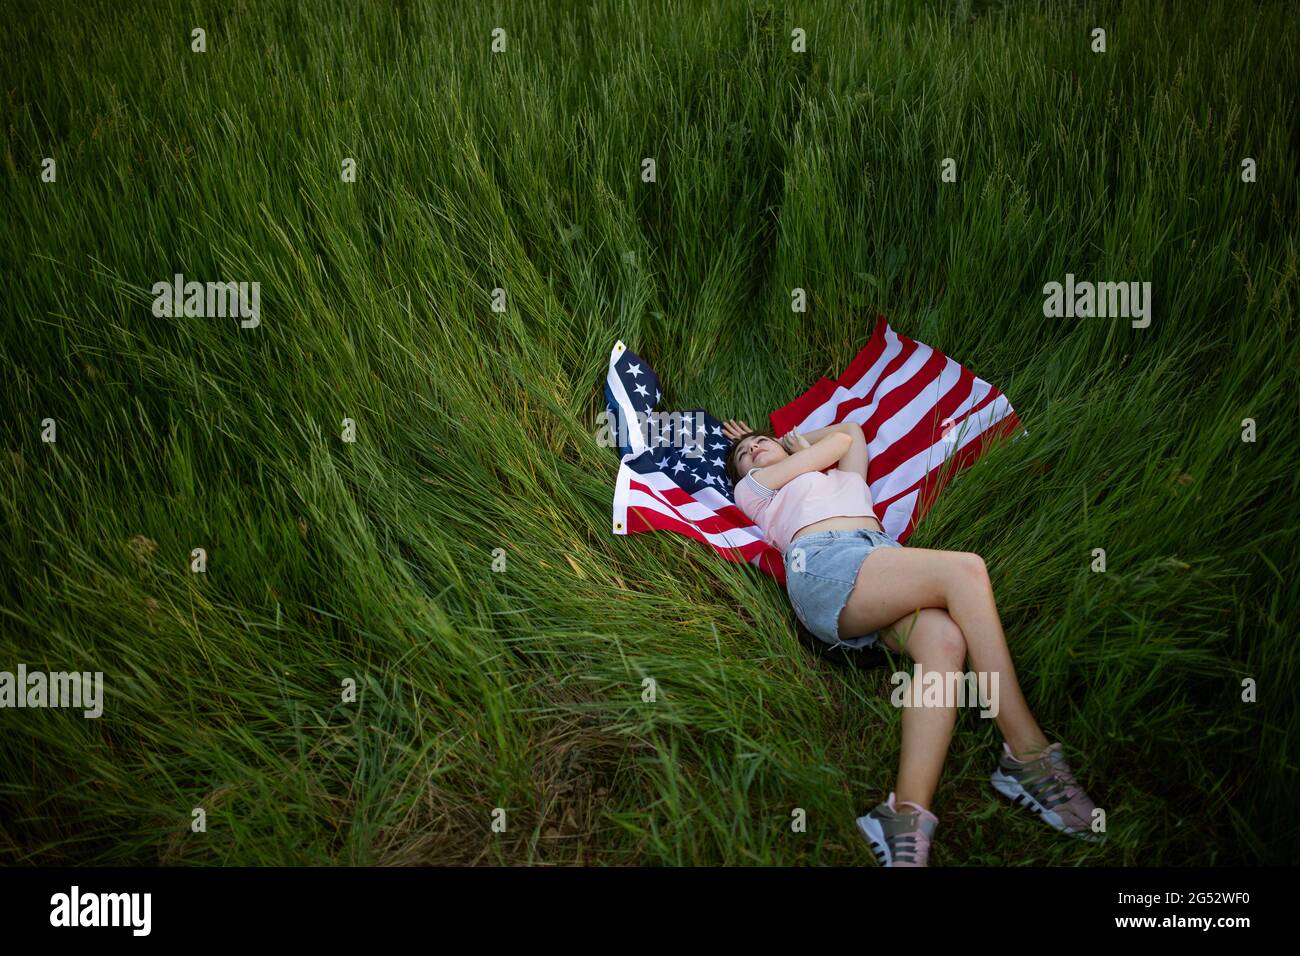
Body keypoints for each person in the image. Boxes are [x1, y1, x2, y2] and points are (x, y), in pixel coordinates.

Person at [723, 418, 1105, 867]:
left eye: (759, 441)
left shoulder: (844, 479)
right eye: (742, 454)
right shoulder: (755, 490)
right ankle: (1029, 755)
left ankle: (904, 815)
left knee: (945, 640)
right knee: (965, 571)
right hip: (823, 562)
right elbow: (841, 441)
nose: (751, 451)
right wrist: (799, 445)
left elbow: (852, 431)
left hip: (878, 560)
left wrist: (800, 442)